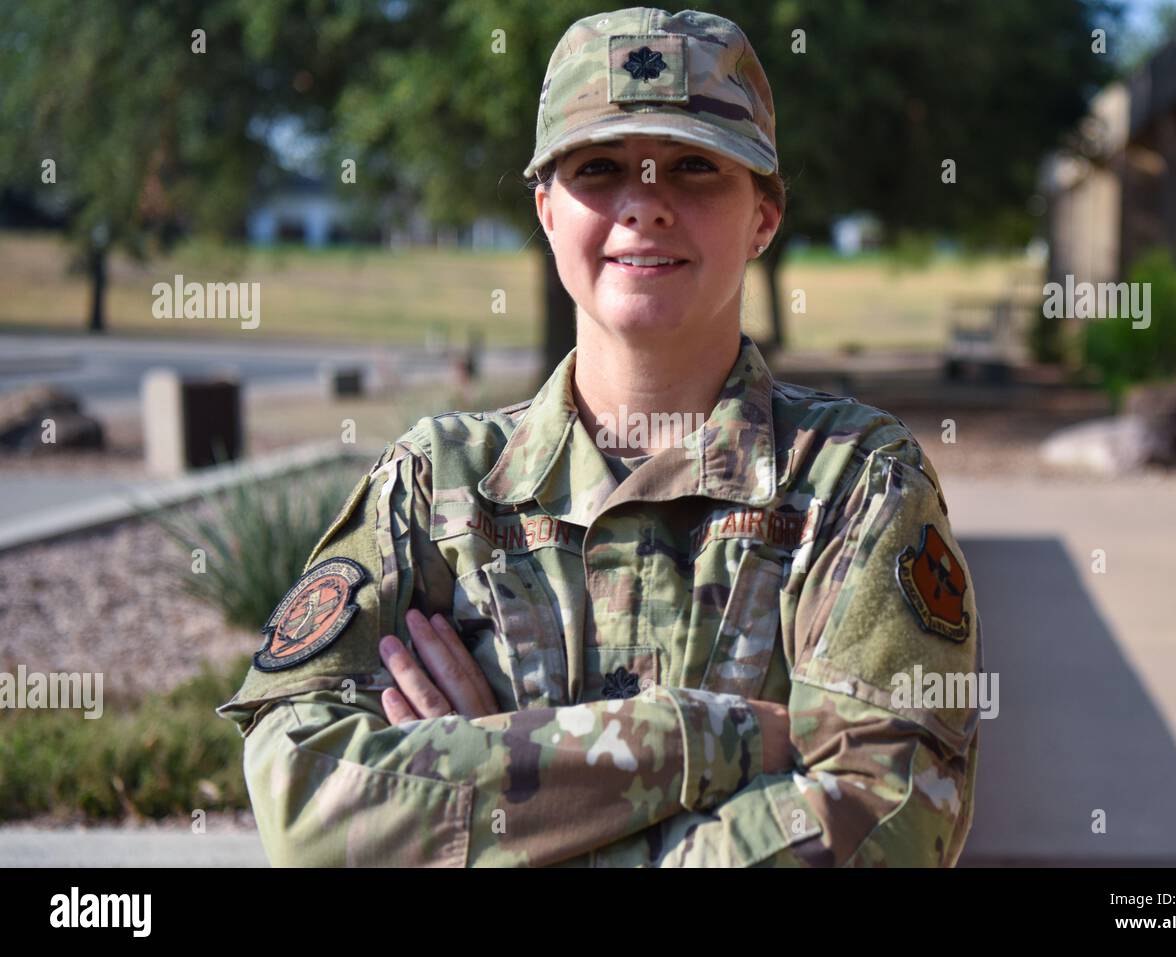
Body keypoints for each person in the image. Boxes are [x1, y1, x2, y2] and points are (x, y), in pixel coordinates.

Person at [217, 5, 982, 867]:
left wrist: (504, 792)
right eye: (600, 168)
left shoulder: (856, 486)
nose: (644, 205)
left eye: (694, 167)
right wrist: (709, 740)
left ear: (764, 214)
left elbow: (890, 825)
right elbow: (307, 803)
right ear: (547, 210)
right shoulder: (436, 487)